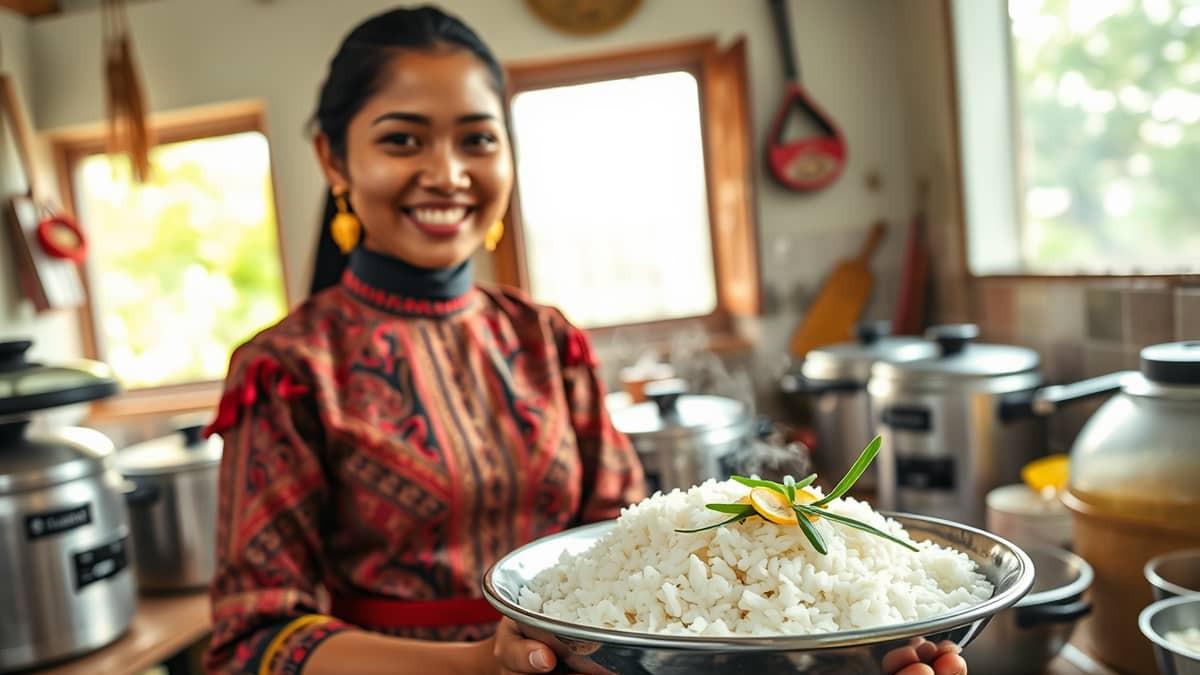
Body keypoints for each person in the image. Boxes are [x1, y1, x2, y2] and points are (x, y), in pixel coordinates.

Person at [203, 6, 968, 675]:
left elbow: (633, 561)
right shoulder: (287, 369)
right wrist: (478, 664)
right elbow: (254, 640)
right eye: (403, 140)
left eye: (477, 139)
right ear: (333, 158)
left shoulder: (546, 340)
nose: (447, 173)